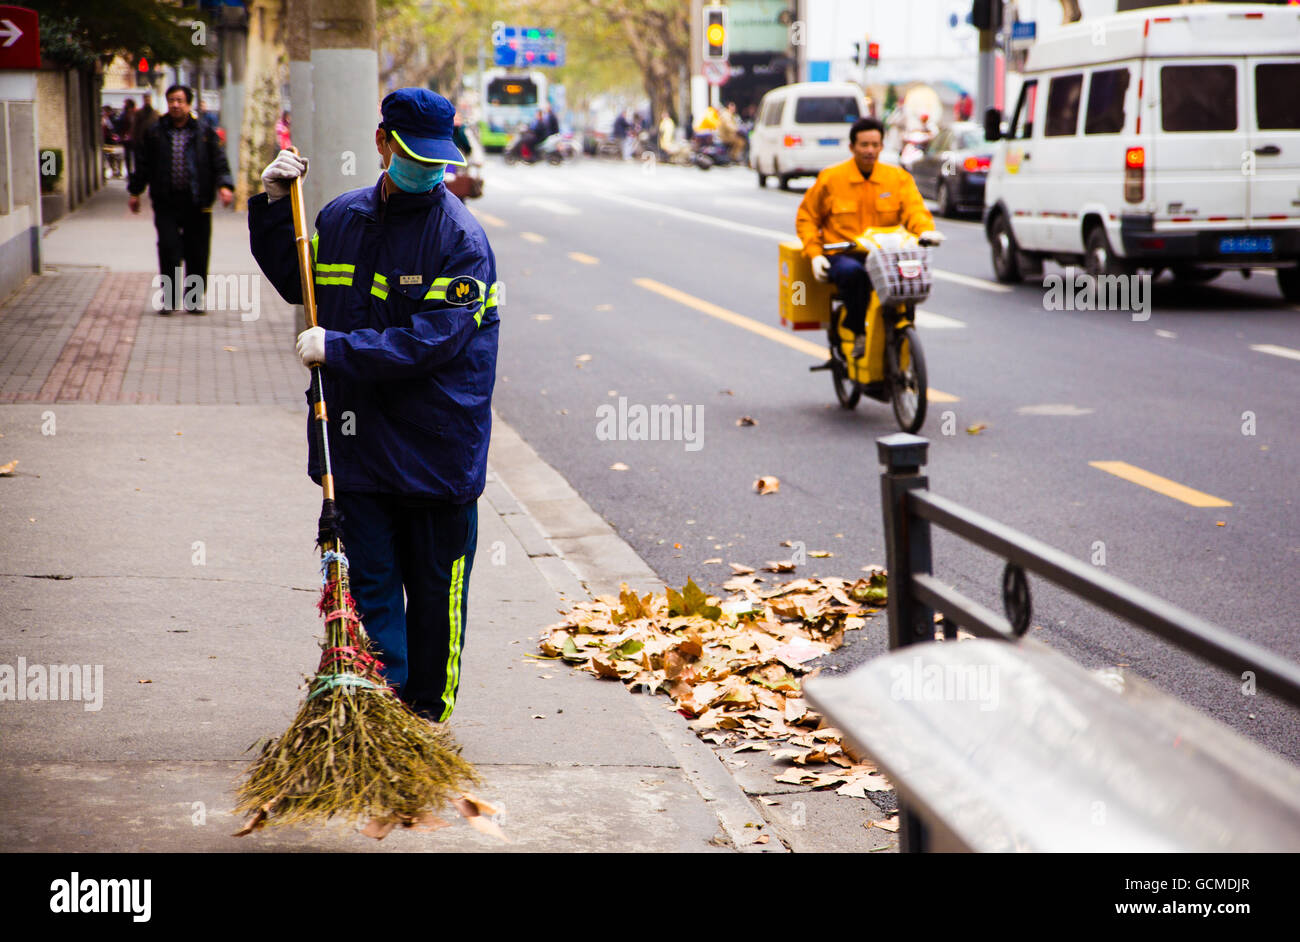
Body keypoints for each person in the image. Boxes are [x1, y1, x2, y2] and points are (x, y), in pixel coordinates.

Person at [248, 88, 499, 727]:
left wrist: (338, 347)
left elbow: (431, 342)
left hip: (436, 453)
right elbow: (294, 279)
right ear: (384, 143)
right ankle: (383, 719)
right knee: (372, 591)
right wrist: (277, 207)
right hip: (356, 448)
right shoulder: (340, 218)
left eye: (440, 161)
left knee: (435, 601)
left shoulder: (461, 240)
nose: (431, 171)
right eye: (417, 155)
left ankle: (425, 720)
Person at [796, 117, 944, 360]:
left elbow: (914, 211)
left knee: (911, 277)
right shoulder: (831, 179)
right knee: (855, 276)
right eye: (864, 145)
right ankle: (856, 333)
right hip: (844, 254)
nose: (870, 151)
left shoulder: (897, 178)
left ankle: (903, 332)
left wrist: (925, 231)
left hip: (887, 254)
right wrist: (814, 255)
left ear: (882, 146)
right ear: (852, 147)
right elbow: (807, 218)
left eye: (875, 145)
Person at [127, 85, 234, 315]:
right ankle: (170, 297)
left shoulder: (204, 132)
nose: (175, 105)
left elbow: (219, 162)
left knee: (197, 251)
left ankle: (194, 300)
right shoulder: (155, 132)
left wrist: (225, 186)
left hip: (198, 202)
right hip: (166, 202)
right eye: (171, 100)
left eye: (180, 100)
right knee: (168, 248)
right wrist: (135, 192)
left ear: (189, 104)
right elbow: (143, 165)